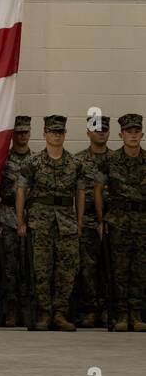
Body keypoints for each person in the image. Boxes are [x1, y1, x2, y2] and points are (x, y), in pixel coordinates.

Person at [15, 115, 85, 331]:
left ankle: (60, 313)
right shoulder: (32, 162)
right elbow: (21, 191)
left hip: (66, 221)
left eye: (60, 132)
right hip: (40, 221)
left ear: (65, 135)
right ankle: (44, 313)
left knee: (66, 269)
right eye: (52, 132)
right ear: (44, 134)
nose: (56, 135)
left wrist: (79, 222)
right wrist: (20, 220)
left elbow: (80, 193)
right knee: (42, 268)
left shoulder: (75, 163)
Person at [93, 113, 146, 332]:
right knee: (118, 270)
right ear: (121, 135)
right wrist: (100, 219)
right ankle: (121, 315)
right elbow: (97, 190)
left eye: (136, 132)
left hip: (142, 222)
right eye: (129, 132)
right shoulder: (110, 160)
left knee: (140, 270)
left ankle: (136, 314)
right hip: (118, 221)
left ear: (141, 134)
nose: (133, 136)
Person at [72, 113, 113, 327]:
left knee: (110, 266)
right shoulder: (77, 161)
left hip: (112, 220)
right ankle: (90, 309)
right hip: (86, 219)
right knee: (87, 267)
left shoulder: (116, 159)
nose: (101, 133)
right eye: (97, 129)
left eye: (104, 129)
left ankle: (107, 309)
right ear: (88, 132)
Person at [0, 116, 32, 327]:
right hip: (7, 215)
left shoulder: (35, 160)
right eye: (18, 132)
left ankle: (27, 311)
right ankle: (9, 311)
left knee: (28, 266)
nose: (22, 136)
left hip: (30, 216)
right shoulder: (3, 159)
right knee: (8, 266)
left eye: (25, 132)